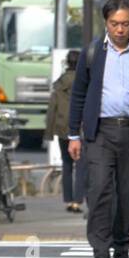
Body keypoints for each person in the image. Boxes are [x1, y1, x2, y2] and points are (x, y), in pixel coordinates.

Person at [68, 0, 129, 258]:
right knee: (99, 189)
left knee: (128, 192)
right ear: (106, 23)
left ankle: (122, 250)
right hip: (100, 131)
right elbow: (78, 93)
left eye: (125, 24)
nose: (120, 29)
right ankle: (100, 251)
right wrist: (73, 135)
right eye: (114, 24)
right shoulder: (92, 53)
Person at [45, 50, 86, 213]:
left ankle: (68, 199)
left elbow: (51, 109)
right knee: (82, 164)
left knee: (67, 164)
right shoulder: (85, 81)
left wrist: (49, 132)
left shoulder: (60, 84)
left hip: (62, 127)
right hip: (81, 127)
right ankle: (78, 200)